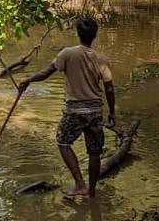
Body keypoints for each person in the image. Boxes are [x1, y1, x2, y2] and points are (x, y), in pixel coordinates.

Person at [18, 17, 115, 197]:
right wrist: (112, 113)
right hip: (95, 110)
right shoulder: (102, 59)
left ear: (78, 34)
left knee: (62, 142)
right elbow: (109, 88)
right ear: (94, 35)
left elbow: (46, 72)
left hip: (75, 111)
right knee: (95, 152)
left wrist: (28, 79)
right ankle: (91, 191)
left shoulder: (67, 53)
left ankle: (80, 184)